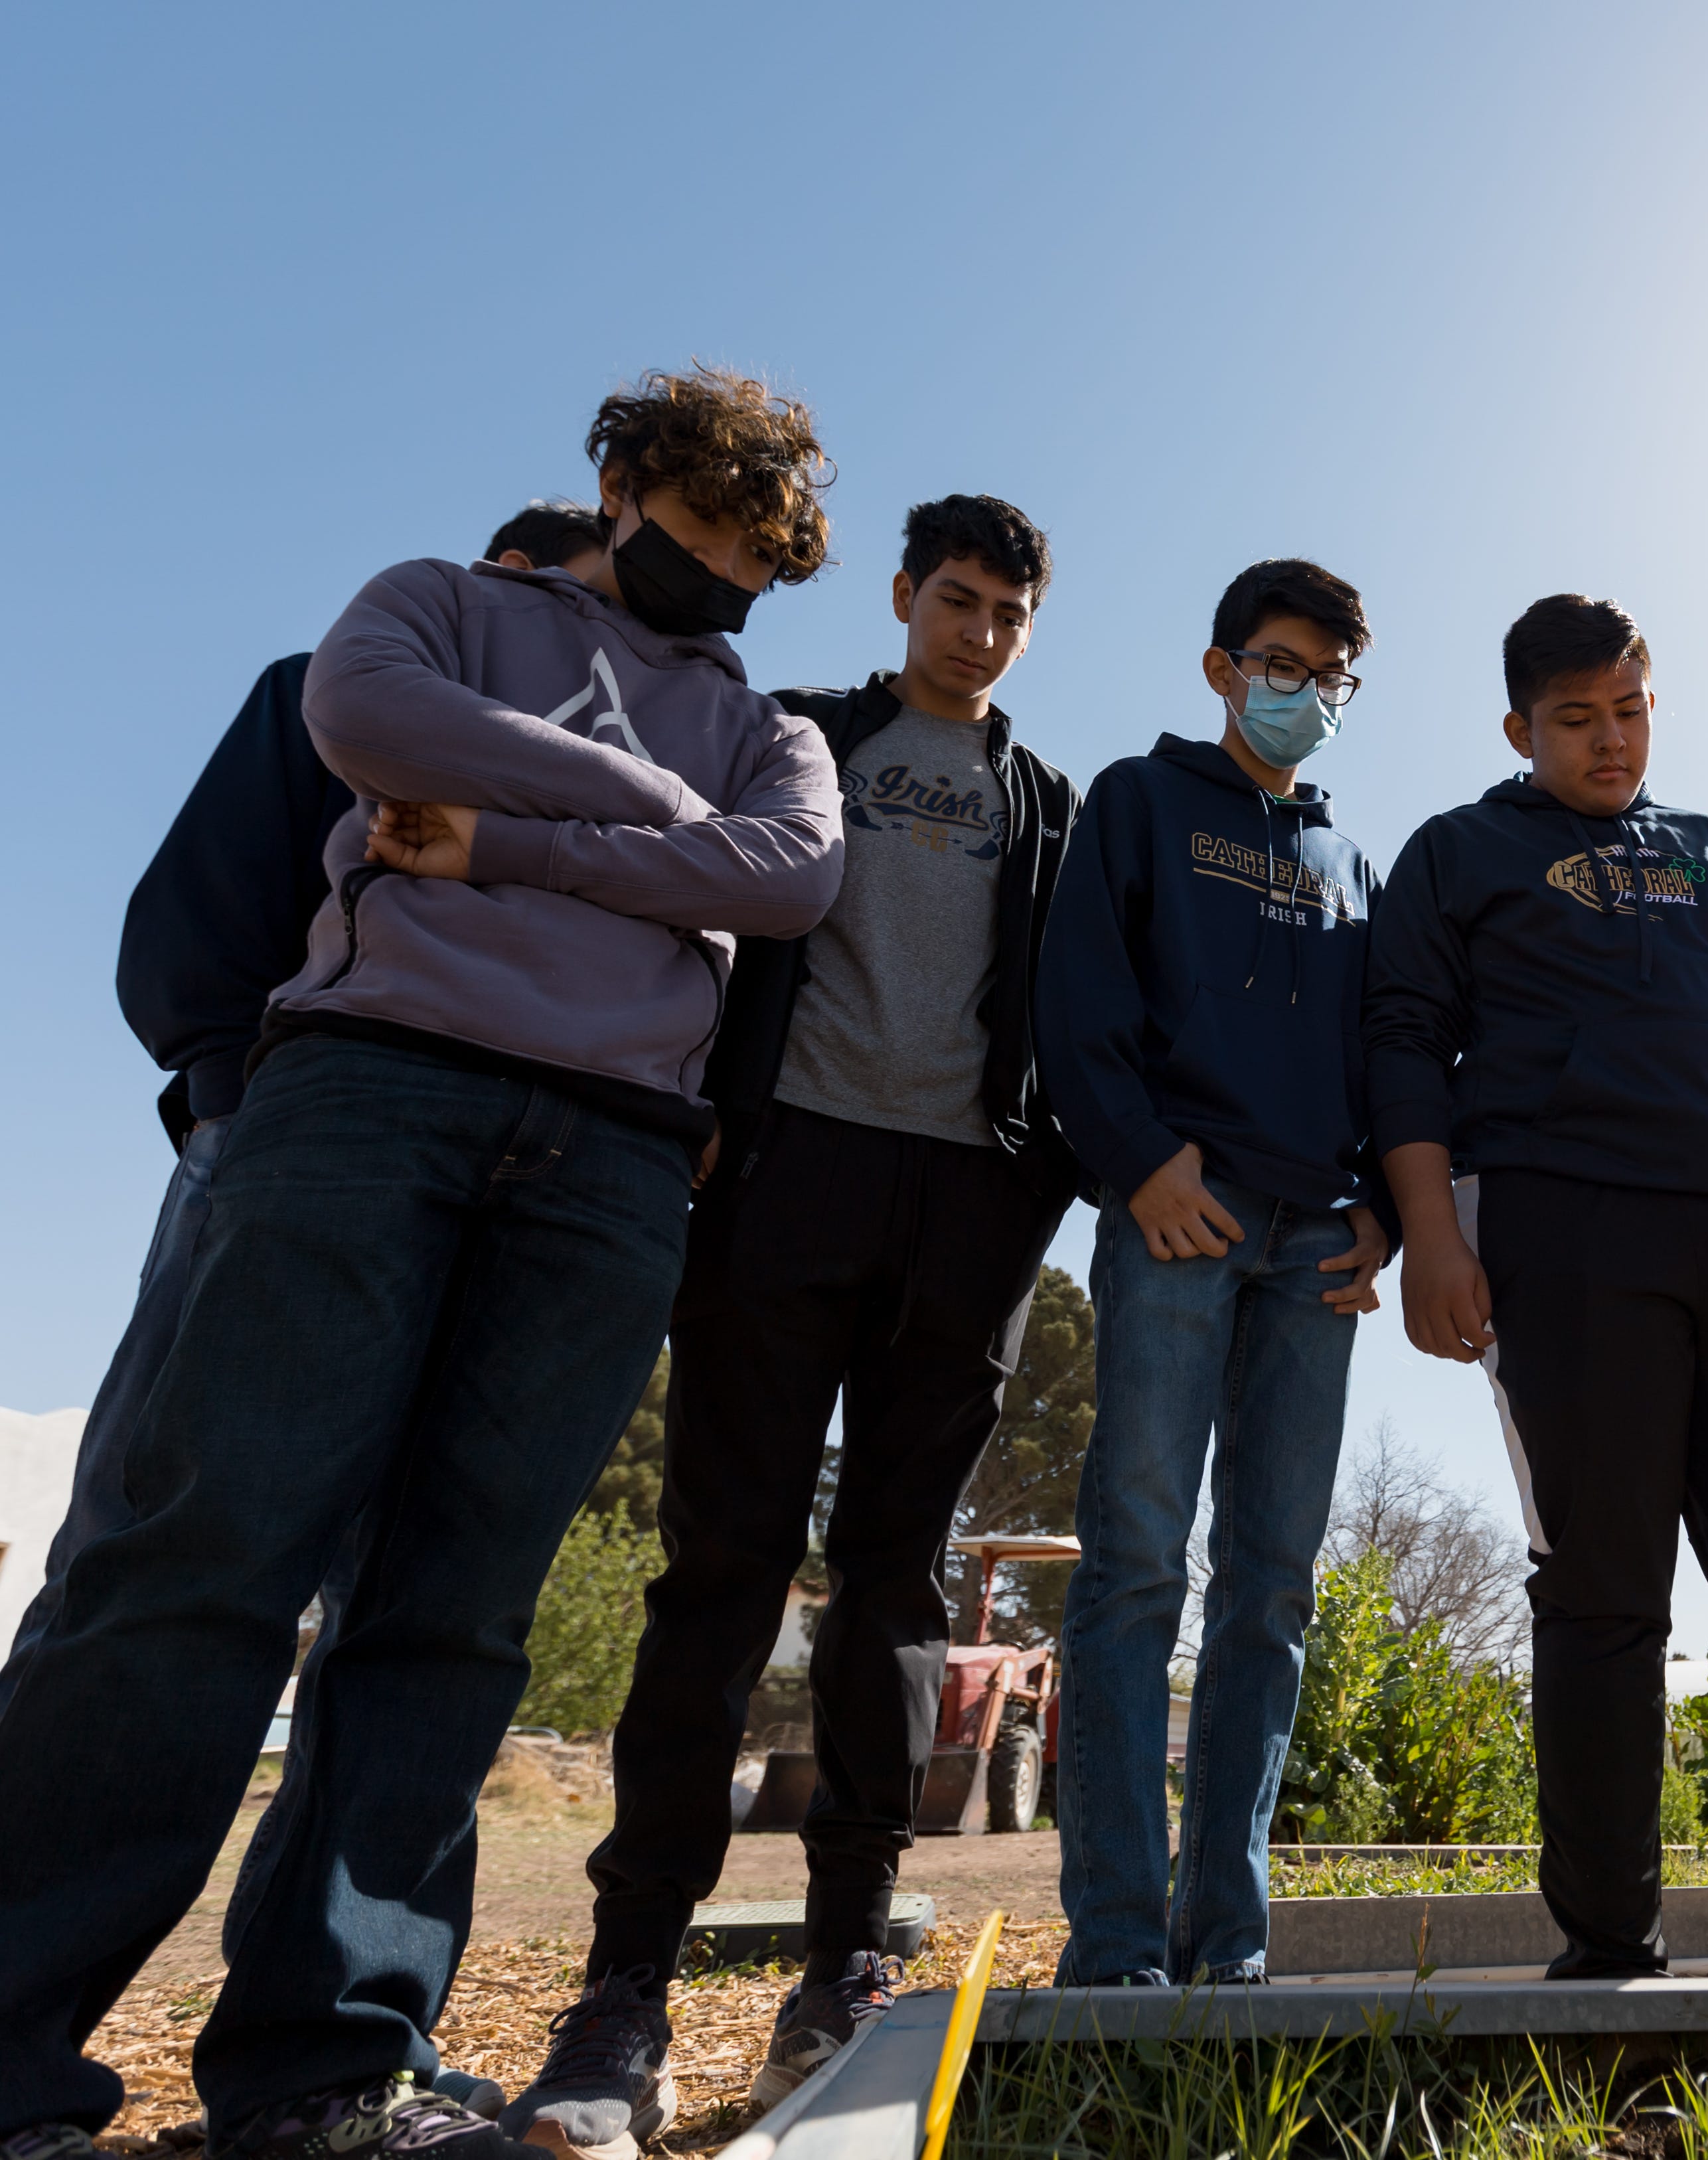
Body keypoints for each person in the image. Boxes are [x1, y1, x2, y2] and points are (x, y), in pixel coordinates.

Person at [0, 366, 844, 2159]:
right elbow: (365, 713)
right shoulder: (441, 608)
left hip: (610, 1163)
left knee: (450, 1618)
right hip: (371, 1095)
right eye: (698, 530)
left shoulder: (772, 729)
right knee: (192, 1561)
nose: (722, 578)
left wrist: (523, 836)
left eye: (756, 562)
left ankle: (321, 2070)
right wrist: (640, 811)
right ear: (617, 484)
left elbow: (781, 875)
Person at [510, 496, 1083, 2145]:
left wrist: (1024, 1186)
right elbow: (699, 898)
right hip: (786, 1179)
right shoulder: (799, 736)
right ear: (903, 596)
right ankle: (625, 1991)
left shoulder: (1045, 803)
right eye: (954, 599)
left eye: (1006, 613)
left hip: (961, 1213)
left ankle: (844, 1960)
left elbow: (1065, 1011)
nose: (976, 631)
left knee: (896, 1584)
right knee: (721, 1568)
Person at [1366, 593, 1708, 1982]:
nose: (1608, 741)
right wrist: (1430, 1233)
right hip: (1566, 1230)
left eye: (1628, 708)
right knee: (1605, 1593)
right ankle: (1609, 1949)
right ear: (1518, 727)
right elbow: (1403, 1045)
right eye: (1573, 720)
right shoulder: (1459, 851)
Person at [0, 501, 607, 1713]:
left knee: (389, 1566)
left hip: (473, 1178)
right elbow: (190, 920)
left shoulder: (575, 773)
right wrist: (236, 1098)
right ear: (501, 576)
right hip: (263, 1144)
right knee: (154, 1517)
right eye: (581, 599)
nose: (598, 641)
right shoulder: (318, 698)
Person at [1036, 557, 1390, 1987]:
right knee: (1134, 1566)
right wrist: (1139, 1161)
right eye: (1283, 664)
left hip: (1317, 1247)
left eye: (1332, 677)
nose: (1305, 695)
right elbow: (1075, 999)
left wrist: (1382, 1210)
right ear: (1222, 666)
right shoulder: (1138, 802)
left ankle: (1224, 1938)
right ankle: (1119, 1940)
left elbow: (1389, 1056)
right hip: (1178, 1215)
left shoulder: (1350, 865)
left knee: (1270, 1590)